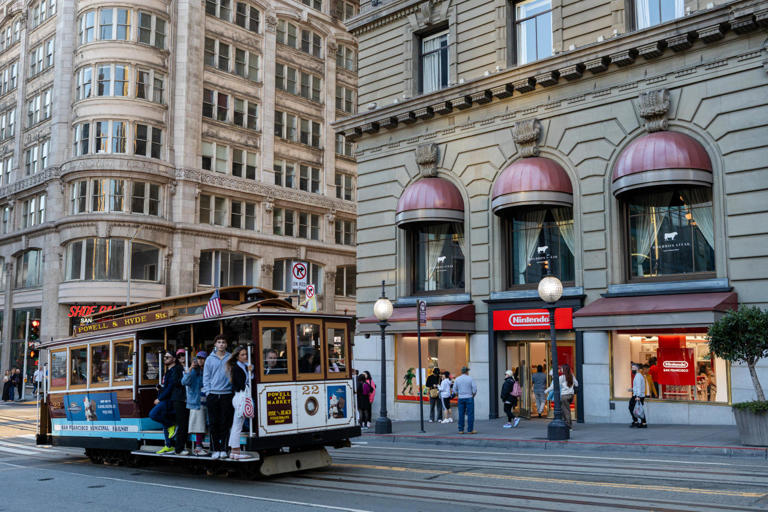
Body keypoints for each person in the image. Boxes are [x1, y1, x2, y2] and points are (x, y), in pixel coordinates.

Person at [203, 334, 233, 459]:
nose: (221, 344)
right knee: (213, 423)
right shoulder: (210, 359)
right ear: (215, 344)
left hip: (227, 394)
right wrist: (208, 392)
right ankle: (215, 449)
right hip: (213, 395)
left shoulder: (231, 357)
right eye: (219, 342)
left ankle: (224, 449)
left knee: (225, 423)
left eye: (223, 342)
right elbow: (206, 377)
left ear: (226, 344)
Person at [149, 351, 183, 454]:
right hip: (166, 398)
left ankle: (171, 425)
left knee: (153, 414)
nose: (165, 358)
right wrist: (160, 388)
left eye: (167, 357)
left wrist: (160, 398)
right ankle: (168, 445)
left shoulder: (175, 370)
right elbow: (166, 386)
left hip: (170, 400)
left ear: (174, 359)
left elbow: (171, 387)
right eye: (164, 357)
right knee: (164, 421)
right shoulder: (168, 371)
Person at [227, 345, 255, 460]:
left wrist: (250, 371)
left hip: (240, 397)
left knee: (237, 424)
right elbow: (239, 385)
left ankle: (234, 451)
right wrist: (249, 373)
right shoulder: (236, 368)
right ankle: (235, 451)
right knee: (237, 425)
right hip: (240, 397)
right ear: (237, 356)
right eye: (242, 355)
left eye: (246, 354)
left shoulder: (243, 366)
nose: (245, 356)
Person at [182, 351, 207, 456]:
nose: (200, 360)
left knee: (207, 424)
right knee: (198, 424)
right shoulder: (193, 371)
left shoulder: (208, 370)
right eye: (199, 358)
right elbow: (184, 382)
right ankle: (198, 447)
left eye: (203, 358)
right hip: (197, 401)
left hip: (208, 400)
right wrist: (191, 368)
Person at [546, 364, 578, 430]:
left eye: (562, 368)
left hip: (564, 395)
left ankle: (569, 426)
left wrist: (546, 390)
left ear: (564, 370)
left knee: (566, 411)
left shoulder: (561, 377)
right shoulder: (572, 376)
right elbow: (577, 384)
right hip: (571, 395)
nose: (561, 370)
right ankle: (565, 423)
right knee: (565, 409)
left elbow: (554, 386)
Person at [453, 366, 477, 434]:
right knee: (470, 414)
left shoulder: (457, 379)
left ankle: (461, 430)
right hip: (469, 397)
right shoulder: (470, 378)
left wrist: (458, 394)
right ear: (466, 371)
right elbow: (474, 389)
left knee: (461, 414)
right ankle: (470, 430)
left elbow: (454, 390)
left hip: (460, 398)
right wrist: (473, 395)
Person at [630, 364, 647, 428]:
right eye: (632, 368)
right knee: (638, 408)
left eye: (633, 368)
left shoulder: (638, 376)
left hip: (638, 396)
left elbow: (639, 387)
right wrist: (632, 389)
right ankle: (641, 422)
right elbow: (637, 387)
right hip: (638, 395)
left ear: (637, 369)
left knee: (634, 408)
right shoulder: (638, 376)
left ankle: (639, 422)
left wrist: (637, 396)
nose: (632, 369)